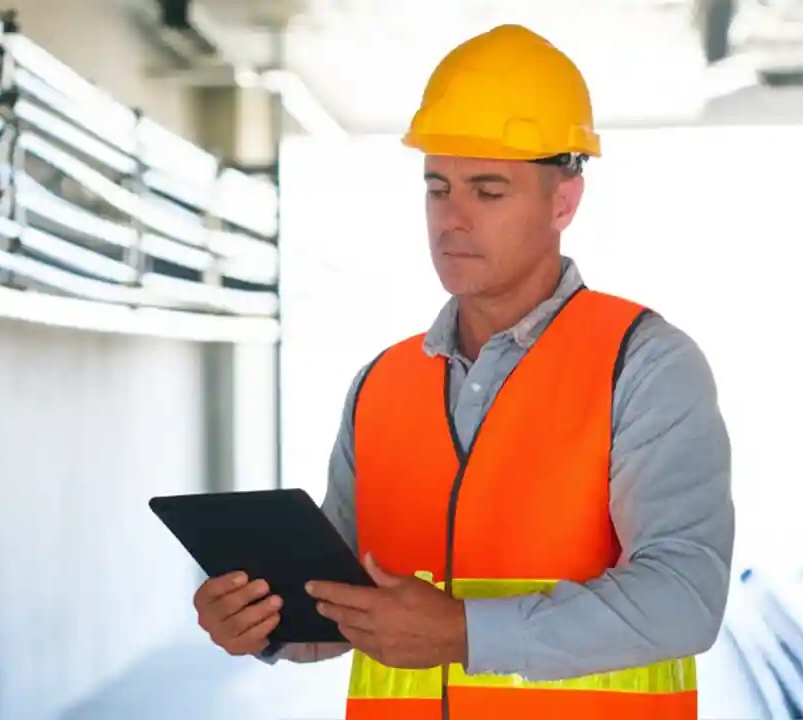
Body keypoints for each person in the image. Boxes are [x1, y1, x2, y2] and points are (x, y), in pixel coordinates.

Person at [192, 23, 734, 720]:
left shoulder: (645, 364)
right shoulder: (381, 384)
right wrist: (265, 621)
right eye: (438, 187)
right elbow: (344, 601)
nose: (453, 219)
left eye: (489, 190)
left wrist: (466, 631)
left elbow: (685, 598)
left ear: (564, 201)